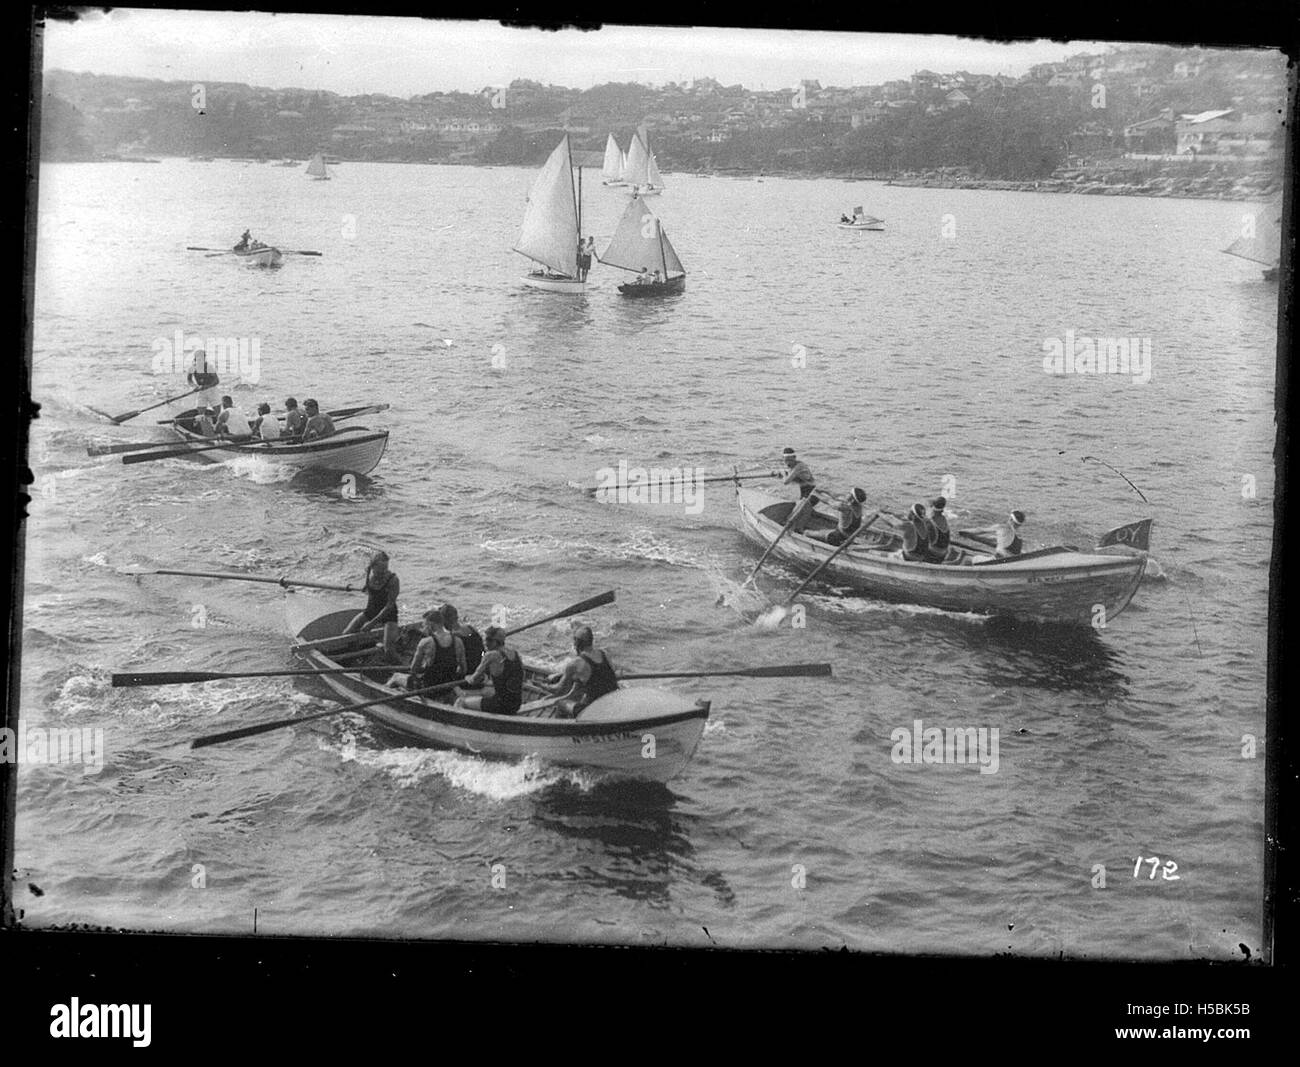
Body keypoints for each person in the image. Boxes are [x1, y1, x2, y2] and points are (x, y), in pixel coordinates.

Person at [542, 625, 620, 716]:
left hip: (592, 709)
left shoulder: (575, 664)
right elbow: (605, 676)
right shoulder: (605, 654)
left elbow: (559, 690)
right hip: (612, 702)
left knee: (560, 703)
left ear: (576, 644)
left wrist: (543, 686)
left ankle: (560, 728)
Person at [457, 626, 524, 716]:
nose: (485, 643)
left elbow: (473, 680)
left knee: (461, 702)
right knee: (487, 692)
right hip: (516, 704)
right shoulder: (514, 653)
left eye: (488, 640)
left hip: (500, 705)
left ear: (495, 642)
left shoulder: (490, 655)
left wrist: (467, 677)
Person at [343, 552, 400, 646]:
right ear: (372, 567)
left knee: (388, 649)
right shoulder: (369, 573)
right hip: (371, 611)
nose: (383, 572)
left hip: (389, 615)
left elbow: (389, 605)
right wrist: (366, 587)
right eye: (380, 570)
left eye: (385, 568)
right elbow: (368, 587)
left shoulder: (393, 580)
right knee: (346, 634)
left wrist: (372, 624)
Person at [406, 608, 466, 691]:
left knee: (395, 677)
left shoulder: (425, 642)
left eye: (424, 625)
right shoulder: (458, 641)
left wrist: (424, 667)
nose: (423, 628)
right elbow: (463, 670)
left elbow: (413, 669)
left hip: (428, 688)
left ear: (431, 625)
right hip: (449, 688)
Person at [773, 447, 817, 532]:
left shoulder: (799, 466)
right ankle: (800, 526)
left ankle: (798, 530)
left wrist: (782, 473)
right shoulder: (792, 467)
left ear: (794, 458)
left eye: (790, 460)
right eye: (786, 460)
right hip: (805, 493)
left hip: (813, 494)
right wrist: (782, 474)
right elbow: (791, 478)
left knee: (794, 514)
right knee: (800, 513)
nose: (788, 462)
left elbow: (786, 481)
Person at [441, 604, 484, 676]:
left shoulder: (452, 637)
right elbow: (482, 649)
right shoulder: (471, 628)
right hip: (480, 669)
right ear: (457, 617)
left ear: (443, 620)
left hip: (467, 674)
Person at [927, 496, 953, 562]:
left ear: (932, 508)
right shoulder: (943, 518)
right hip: (944, 553)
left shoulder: (931, 522)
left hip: (934, 554)